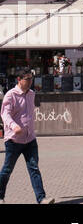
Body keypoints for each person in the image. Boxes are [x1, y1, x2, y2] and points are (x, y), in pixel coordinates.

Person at [1, 70, 53, 204]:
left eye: (31, 79)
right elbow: (4, 114)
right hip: (14, 140)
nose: (29, 82)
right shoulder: (10, 95)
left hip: (30, 139)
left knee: (34, 168)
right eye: (27, 79)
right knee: (7, 170)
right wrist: (13, 126)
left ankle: (41, 199)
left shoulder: (31, 94)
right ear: (19, 79)